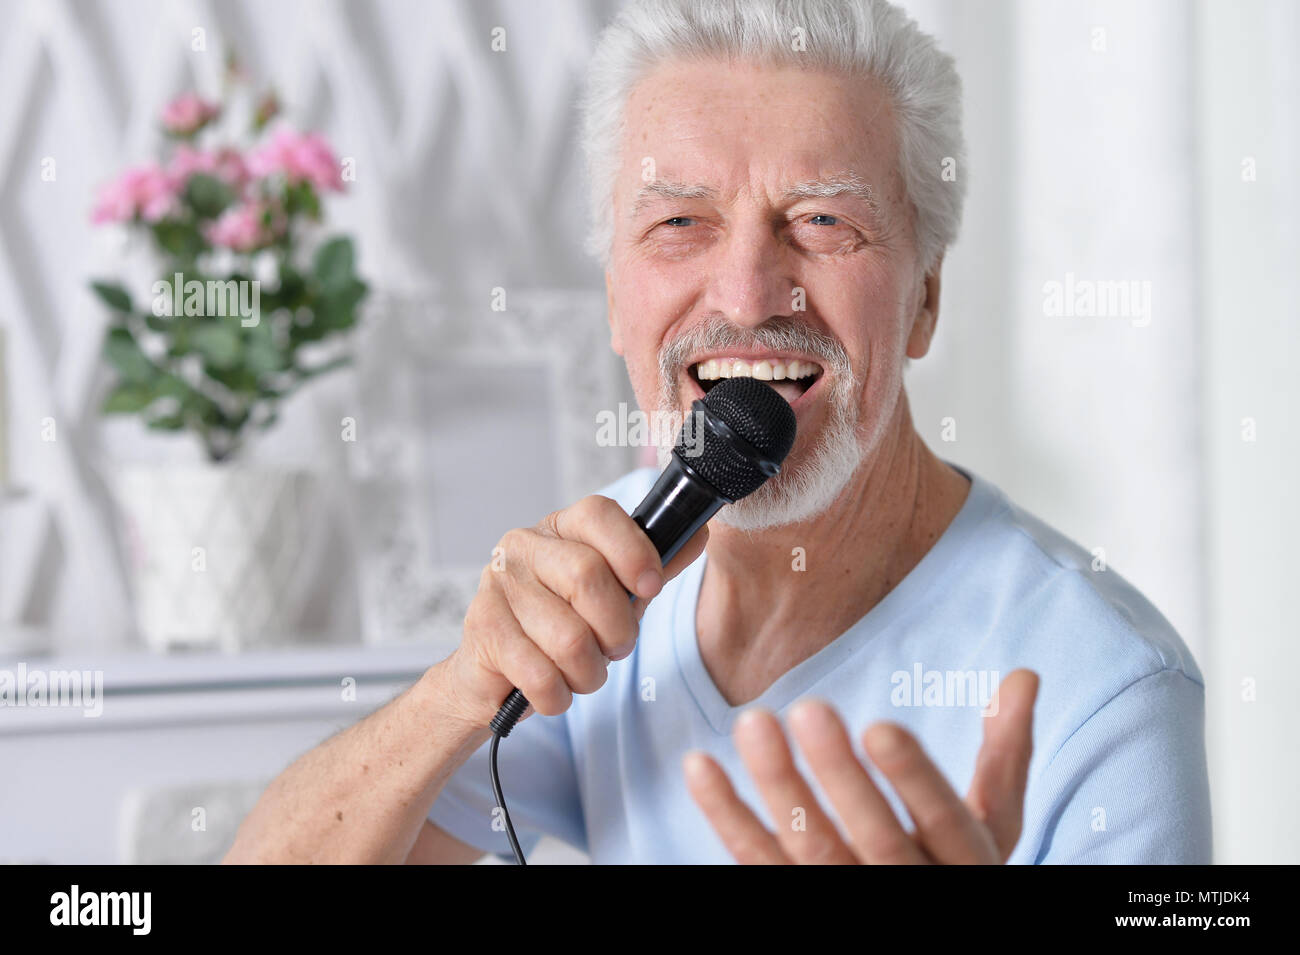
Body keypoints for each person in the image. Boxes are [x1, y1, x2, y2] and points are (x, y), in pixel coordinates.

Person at [224, 0, 1210, 865]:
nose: (745, 294)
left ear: (923, 301)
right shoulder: (609, 563)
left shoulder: (1106, 687)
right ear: (616, 304)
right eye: (679, 224)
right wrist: (458, 692)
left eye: (822, 221)